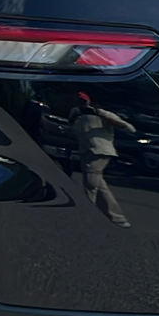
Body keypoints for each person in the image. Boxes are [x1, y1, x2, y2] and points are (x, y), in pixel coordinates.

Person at [68, 92, 135, 227]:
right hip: (85, 151)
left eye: (84, 101)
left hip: (100, 151)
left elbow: (129, 128)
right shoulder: (75, 113)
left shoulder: (102, 113)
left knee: (90, 182)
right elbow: (72, 126)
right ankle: (117, 217)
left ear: (90, 101)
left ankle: (84, 214)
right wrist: (76, 116)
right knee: (99, 185)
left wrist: (100, 114)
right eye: (79, 101)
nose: (81, 103)